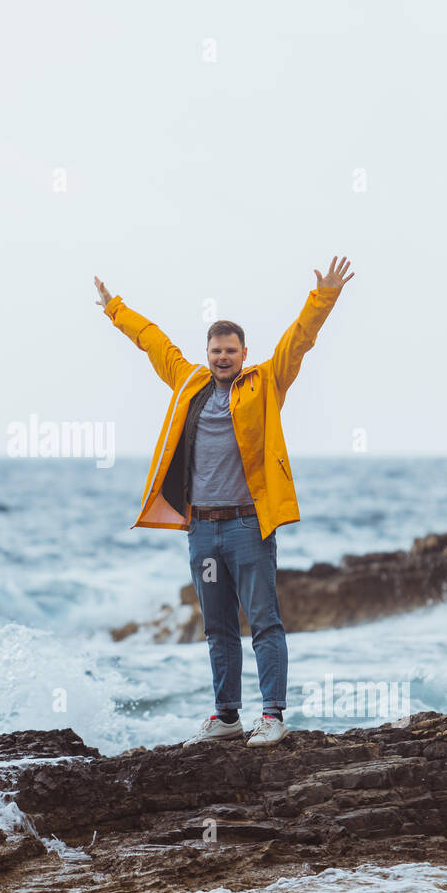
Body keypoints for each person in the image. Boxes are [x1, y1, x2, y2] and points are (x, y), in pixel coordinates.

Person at [95, 258, 354, 747]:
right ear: (207, 352)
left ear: (243, 353)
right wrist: (114, 308)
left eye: (230, 351)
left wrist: (324, 297)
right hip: (203, 530)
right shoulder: (188, 384)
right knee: (216, 627)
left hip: (248, 528)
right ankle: (227, 716)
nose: (222, 358)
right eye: (216, 350)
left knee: (263, 622)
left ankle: (272, 715)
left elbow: (298, 340)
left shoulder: (265, 385)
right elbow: (152, 341)